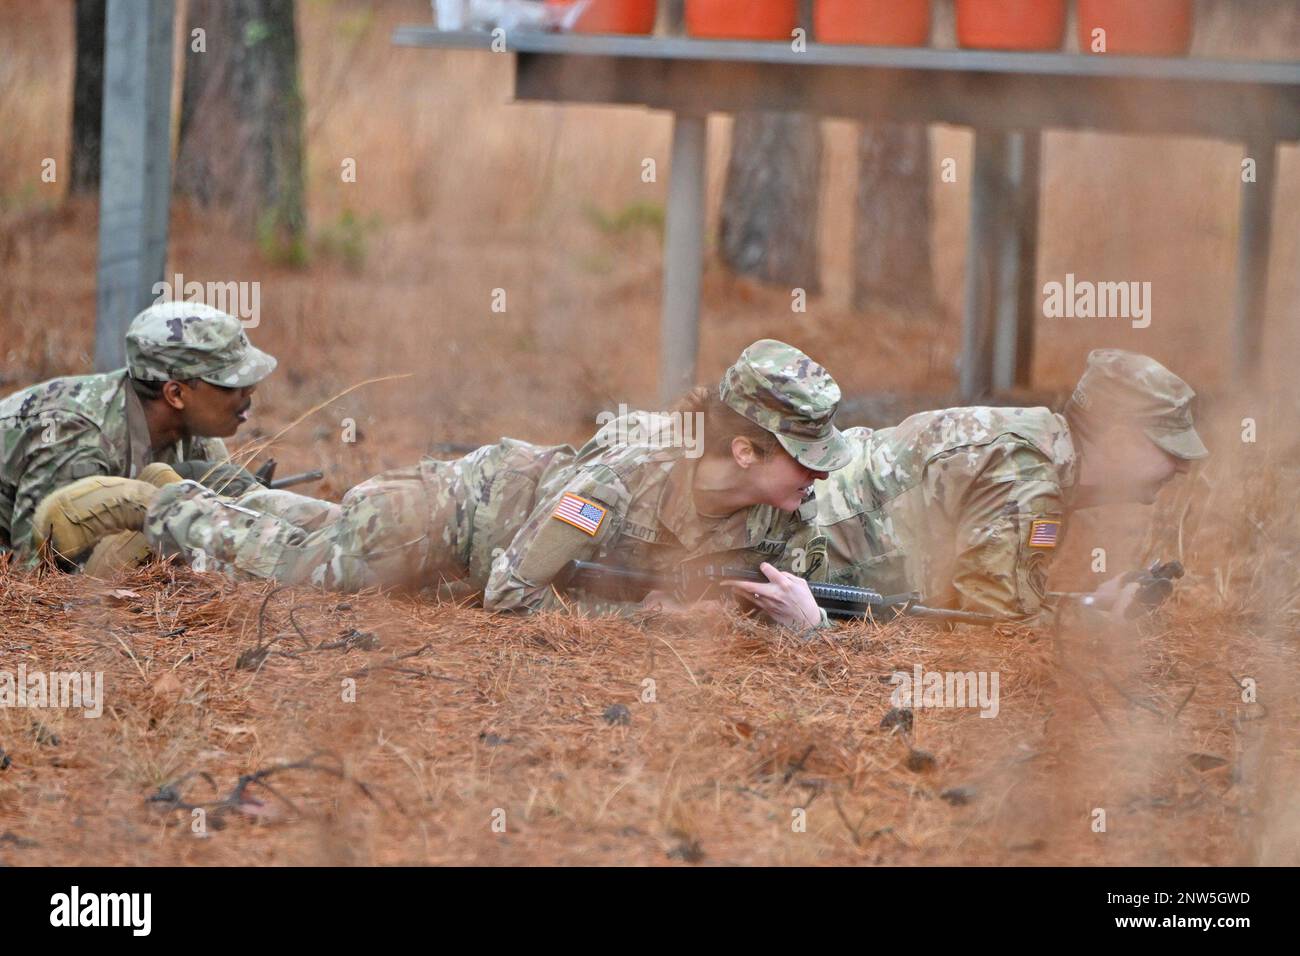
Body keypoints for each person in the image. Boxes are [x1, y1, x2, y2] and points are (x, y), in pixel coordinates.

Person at [31, 340, 853, 627]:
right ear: (744, 451)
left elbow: (805, 599)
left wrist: (809, 624)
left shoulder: (776, 515)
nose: (819, 471)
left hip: (459, 542)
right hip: (443, 520)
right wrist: (650, 619)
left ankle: (225, 498)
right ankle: (159, 503)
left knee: (323, 532)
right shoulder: (621, 481)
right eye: (801, 453)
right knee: (313, 571)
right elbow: (512, 595)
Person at [782, 350, 1208, 624]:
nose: (1182, 466)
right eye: (1168, 447)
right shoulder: (1027, 478)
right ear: (1119, 438)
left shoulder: (1042, 452)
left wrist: (1091, 604)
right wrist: (1097, 628)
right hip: (791, 551)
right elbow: (991, 634)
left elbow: (983, 601)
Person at [0, 302, 275, 565]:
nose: (249, 392)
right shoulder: (77, 437)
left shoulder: (195, 434)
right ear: (176, 394)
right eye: (230, 384)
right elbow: (36, 576)